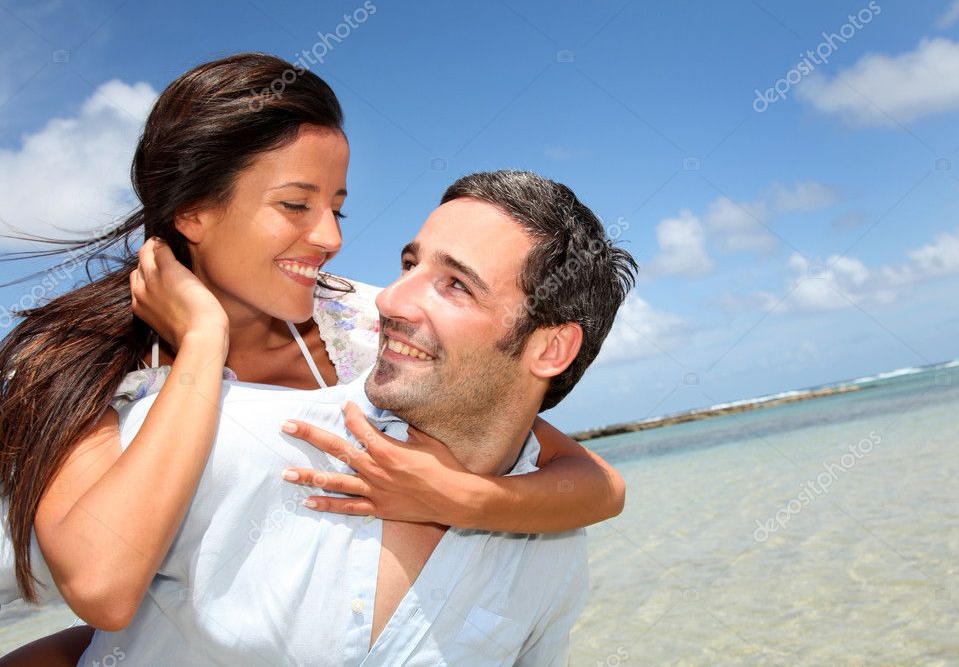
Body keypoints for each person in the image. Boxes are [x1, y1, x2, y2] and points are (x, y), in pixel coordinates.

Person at [0, 55, 626, 662]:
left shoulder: (355, 319)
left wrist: (456, 500)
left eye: (337, 207)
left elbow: (593, 480)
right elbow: (104, 589)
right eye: (296, 205)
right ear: (192, 210)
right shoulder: (76, 364)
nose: (332, 238)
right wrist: (202, 343)